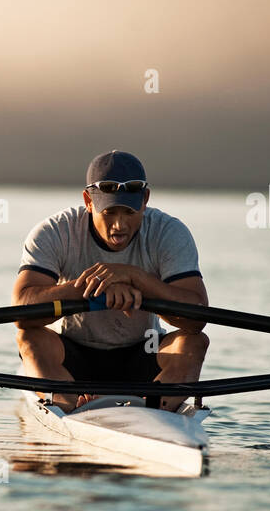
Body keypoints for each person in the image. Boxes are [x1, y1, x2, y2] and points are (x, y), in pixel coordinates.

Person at [12, 150, 209, 412]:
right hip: (73, 353)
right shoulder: (54, 232)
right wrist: (95, 286)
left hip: (144, 349)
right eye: (110, 212)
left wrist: (136, 278)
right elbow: (22, 311)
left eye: (129, 212)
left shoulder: (169, 233)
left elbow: (197, 316)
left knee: (194, 342)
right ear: (88, 200)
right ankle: (73, 406)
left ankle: (151, 411)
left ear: (145, 200)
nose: (119, 225)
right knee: (29, 337)